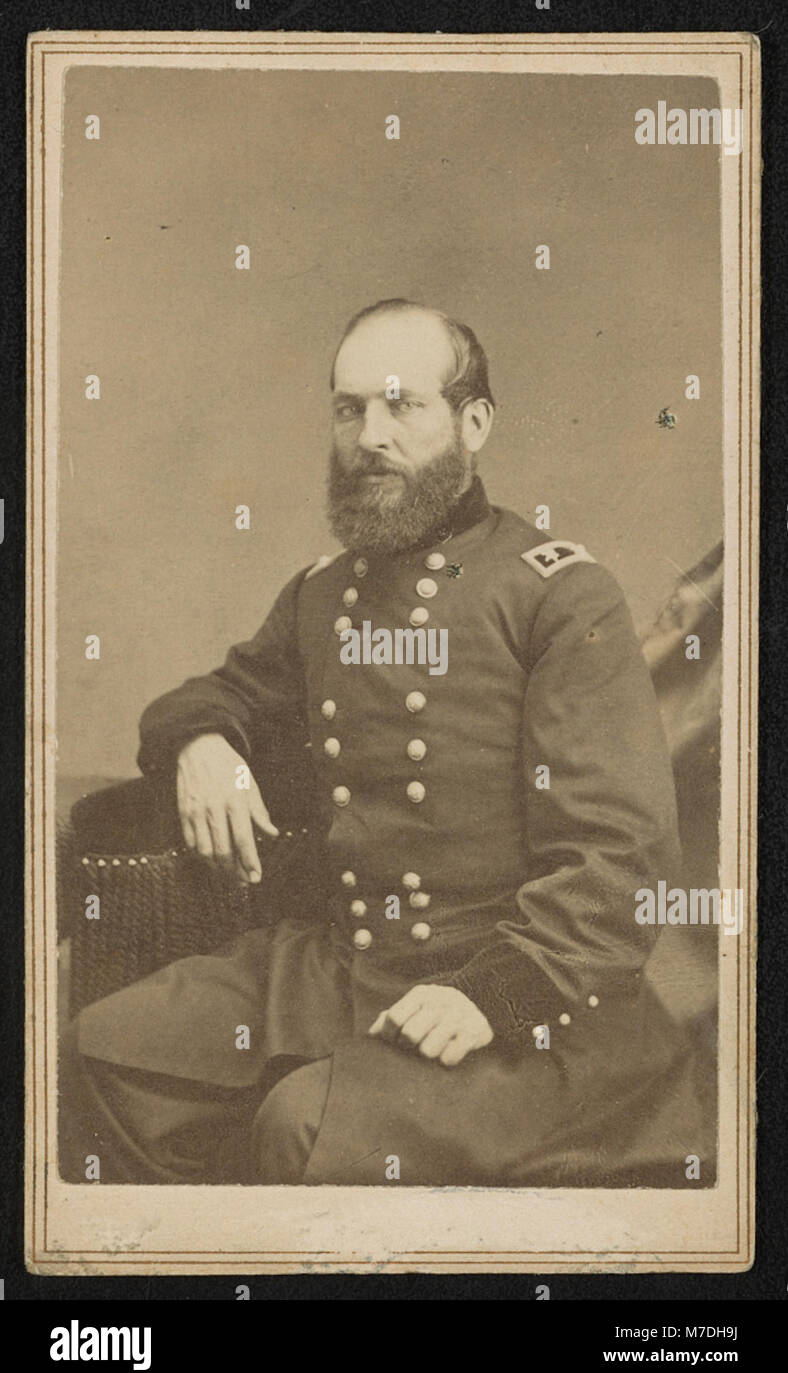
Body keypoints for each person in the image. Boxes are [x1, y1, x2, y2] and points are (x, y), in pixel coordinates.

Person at [59, 299, 704, 1186]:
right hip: (343, 963)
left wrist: (491, 996)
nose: (371, 434)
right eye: (350, 408)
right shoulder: (322, 594)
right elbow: (213, 694)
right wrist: (201, 741)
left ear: (472, 423)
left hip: (532, 1000)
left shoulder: (559, 596)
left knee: (303, 1125)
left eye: (404, 406)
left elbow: (619, 858)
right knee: (95, 1055)